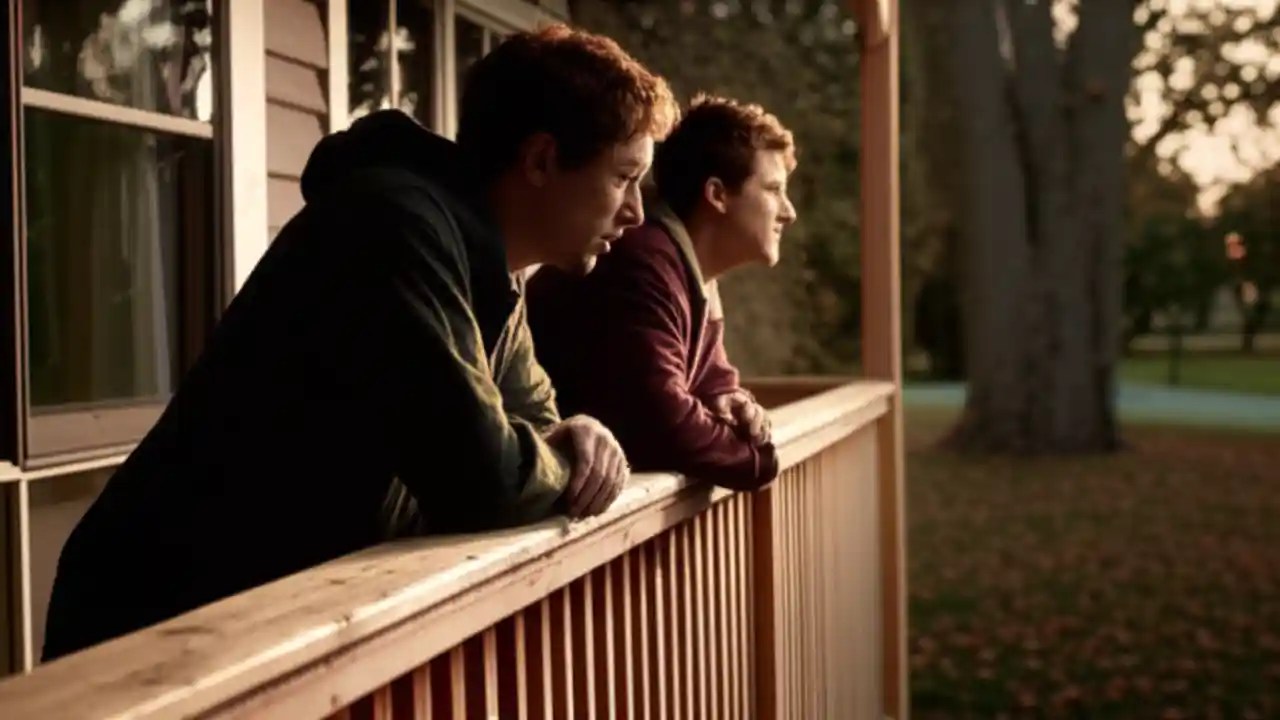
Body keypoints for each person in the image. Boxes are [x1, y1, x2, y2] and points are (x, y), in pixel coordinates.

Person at [42, 24, 678, 661]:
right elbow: (482, 473)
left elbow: (531, 426)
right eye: (624, 178)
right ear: (541, 160)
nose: (636, 214)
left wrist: (575, 430)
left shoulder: (490, 268)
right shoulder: (396, 227)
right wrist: (569, 465)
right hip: (160, 619)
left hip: (256, 619)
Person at [526, 94, 798, 491]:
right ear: (717, 194)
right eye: (773, 189)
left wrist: (731, 403)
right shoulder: (642, 258)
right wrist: (759, 459)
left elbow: (711, 382)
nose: (788, 211)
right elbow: (663, 421)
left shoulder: (690, 269)